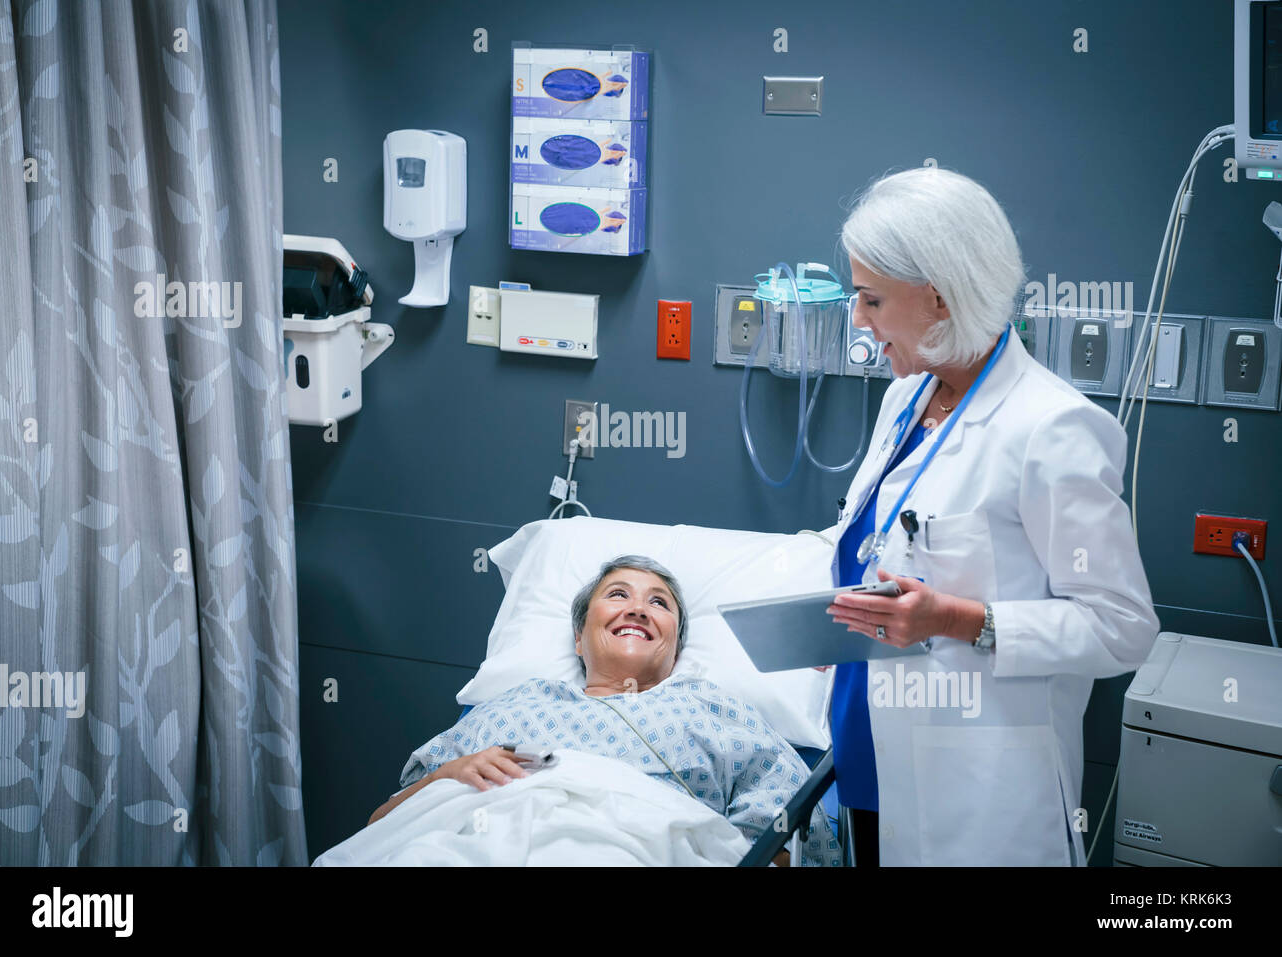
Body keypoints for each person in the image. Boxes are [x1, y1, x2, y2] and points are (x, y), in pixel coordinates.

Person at [822, 167, 1159, 866]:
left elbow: (1123, 627)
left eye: (872, 298)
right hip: (872, 754)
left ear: (939, 298)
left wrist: (958, 618)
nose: (858, 319)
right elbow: (877, 542)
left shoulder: (1051, 428)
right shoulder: (907, 398)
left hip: (977, 791)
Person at [368, 555, 840, 865]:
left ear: (675, 648)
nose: (637, 609)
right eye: (618, 595)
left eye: (659, 604)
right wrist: (448, 775)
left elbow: (791, 840)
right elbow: (380, 828)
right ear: (578, 637)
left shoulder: (716, 711)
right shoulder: (508, 707)